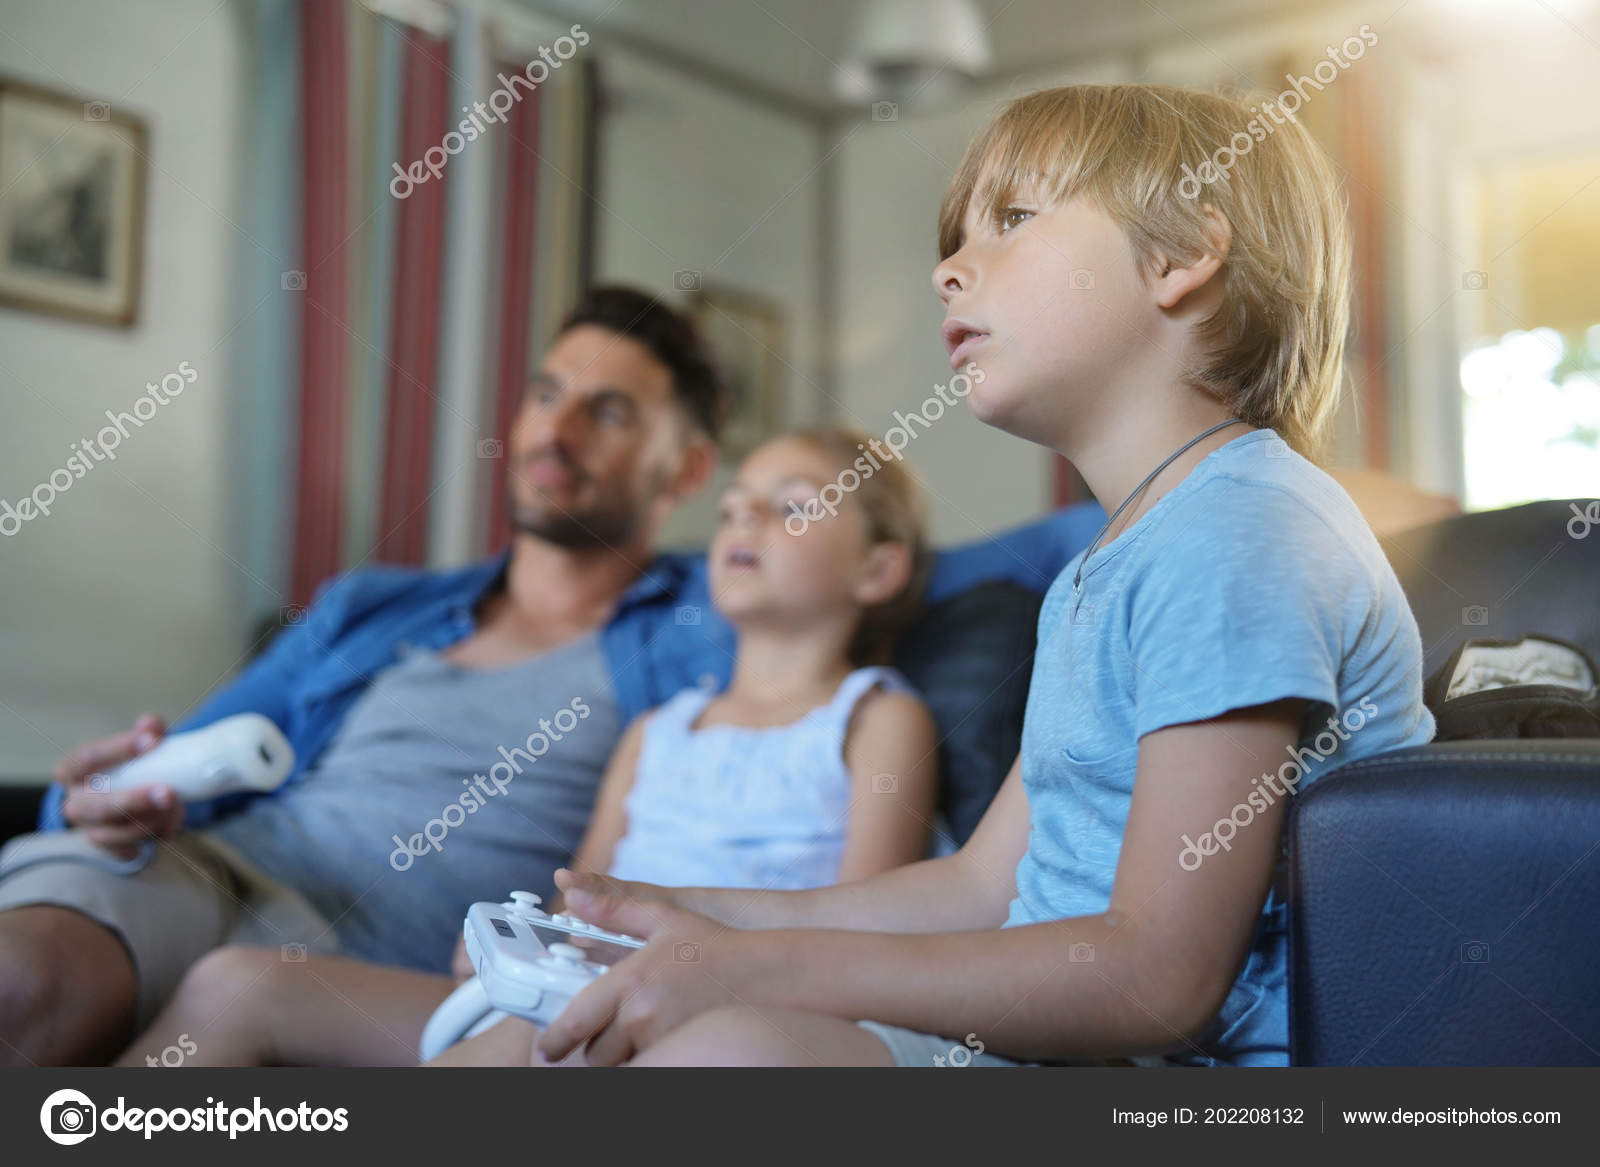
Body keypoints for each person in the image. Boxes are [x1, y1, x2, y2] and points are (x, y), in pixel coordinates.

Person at [519, 84, 1437, 1068]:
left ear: (1178, 258)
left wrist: (758, 969)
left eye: (1012, 220)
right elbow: (981, 888)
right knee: (553, 1042)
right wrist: (684, 914)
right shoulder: (1107, 569)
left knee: (729, 1050)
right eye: (957, 239)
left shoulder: (1237, 534)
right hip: (1067, 1052)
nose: (947, 271)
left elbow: (1156, 979)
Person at [0, 286, 731, 1066]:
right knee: (18, 981)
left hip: (364, 968)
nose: (556, 430)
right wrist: (100, 796)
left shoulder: (708, 630)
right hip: (214, 867)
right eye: (546, 394)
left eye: (609, 411)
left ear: (686, 469)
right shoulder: (375, 606)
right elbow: (184, 759)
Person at [115, 428, 939, 1067]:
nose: (744, 518)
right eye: (732, 506)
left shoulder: (875, 720)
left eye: (793, 504)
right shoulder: (657, 731)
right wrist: (504, 945)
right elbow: (579, 893)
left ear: (877, 568)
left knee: (513, 1051)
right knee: (238, 984)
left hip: (716, 1008)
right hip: (565, 986)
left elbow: (862, 933)